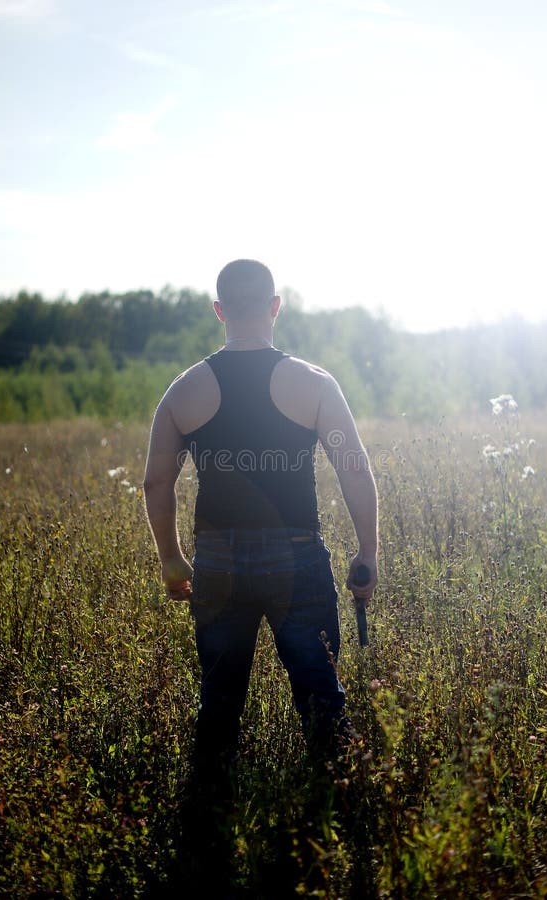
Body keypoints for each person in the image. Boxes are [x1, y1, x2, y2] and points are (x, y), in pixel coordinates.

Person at [143, 259, 378, 796]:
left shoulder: (183, 391)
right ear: (275, 307)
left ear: (219, 311)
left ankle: (208, 817)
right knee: (321, 695)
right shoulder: (314, 383)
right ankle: (339, 808)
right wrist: (368, 552)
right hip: (297, 558)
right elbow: (354, 468)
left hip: (218, 563)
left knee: (220, 700)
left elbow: (156, 484)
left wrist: (171, 559)